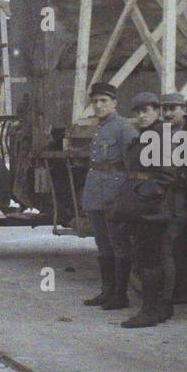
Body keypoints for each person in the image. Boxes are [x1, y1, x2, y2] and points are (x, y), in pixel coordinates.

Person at [118, 91, 171, 329]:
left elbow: (166, 175)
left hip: (151, 207)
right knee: (150, 257)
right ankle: (159, 308)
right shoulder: (148, 135)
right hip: (146, 205)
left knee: (147, 258)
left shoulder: (161, 137)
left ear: (157, 111)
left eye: (145, 111)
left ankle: (149, 311)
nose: (141, 116)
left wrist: (143, 196)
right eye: (137, 112)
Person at [81, 81, 136, 310]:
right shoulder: (100, 127)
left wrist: (125, 195)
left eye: (104, 101)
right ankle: (107, 291)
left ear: (115, 103)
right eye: (95, 102)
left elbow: (131, 165)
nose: (99, 105)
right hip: (96, 193)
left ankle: (120, 296)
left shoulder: (124, 128)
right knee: (103, 246)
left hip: (115, 194)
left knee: (118, 245)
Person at [159, 90, 187, 309]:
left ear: (183, 110)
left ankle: (179, 291)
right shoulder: (160, 134)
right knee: (169, 246)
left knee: (184, 246)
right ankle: (171, 290)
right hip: (165, 198)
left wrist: (175, 179)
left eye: (172, 109)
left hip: (185, 199)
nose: (168, 113)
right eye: (164, 109)